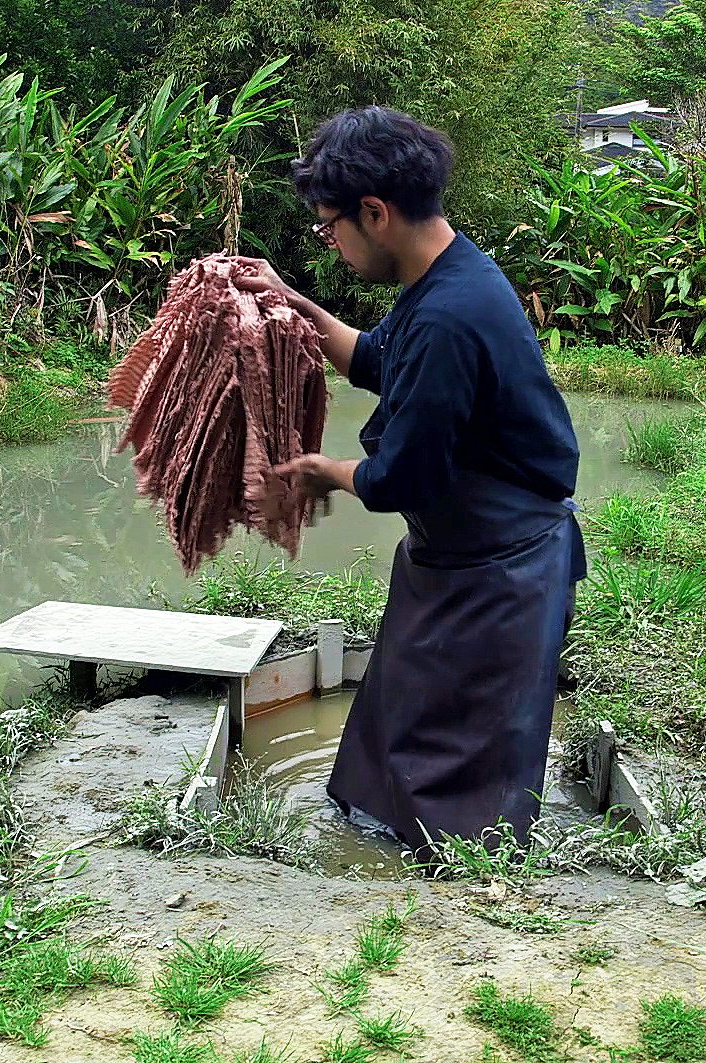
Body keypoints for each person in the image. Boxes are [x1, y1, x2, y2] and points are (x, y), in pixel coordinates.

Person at [234, 106, 585, 857]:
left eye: (330, 227)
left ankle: (456, 893)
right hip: (460, 555)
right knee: (403, 716)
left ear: (375, 213)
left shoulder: (451, 314)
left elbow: (405, 476)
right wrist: (289, 302)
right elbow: (375, 360)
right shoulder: (445, 278)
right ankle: (380, 845)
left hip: (501, 570)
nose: (329, 244)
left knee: (463, 757)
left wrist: (321, 472)